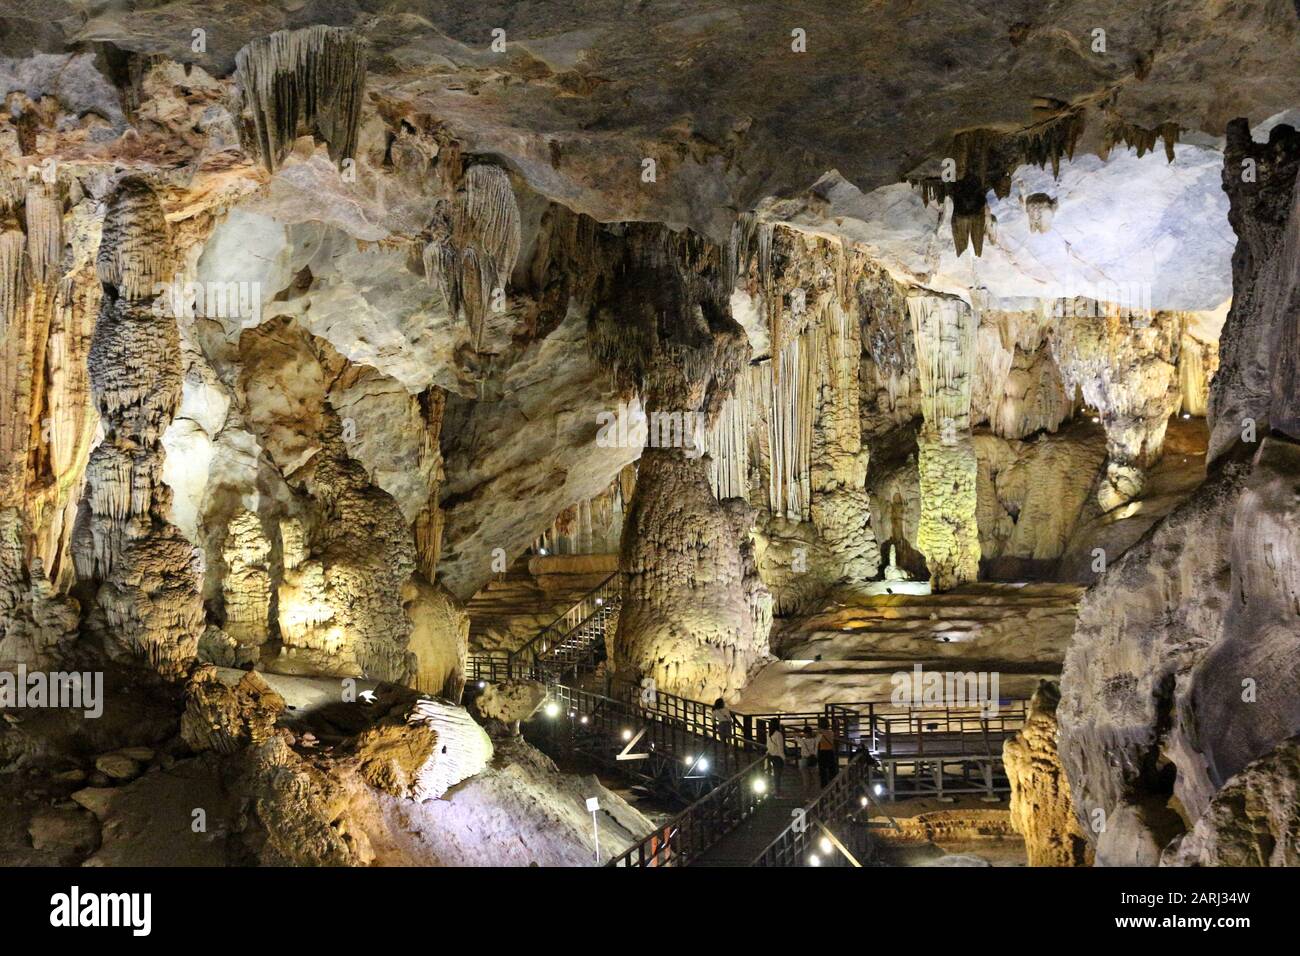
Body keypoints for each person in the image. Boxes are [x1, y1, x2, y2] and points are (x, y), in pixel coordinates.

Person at [816, 716, 839, 788]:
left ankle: (824, 786)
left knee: (823, 771)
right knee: (832, 770)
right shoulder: (831, 733)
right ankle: (834, 786)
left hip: (822, 752)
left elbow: (817, 742)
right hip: (830, 752)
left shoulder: (819, 733)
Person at [765, 719, 786, 795]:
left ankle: (773, 790)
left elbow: (768, 746)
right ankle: (777, 791)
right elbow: (780, 748)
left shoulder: (768, 733)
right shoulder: (778, 734)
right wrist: (784, 758)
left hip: (770, 756)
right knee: (778, 775)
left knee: (772, 774)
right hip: (778, 757)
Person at [797, 724, 818, 793]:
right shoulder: (815, 740)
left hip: (804, 759)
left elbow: (794, 736)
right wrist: (813, 734)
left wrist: (802, 735)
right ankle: (816, 794)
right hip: (813, 759)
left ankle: (807, 796)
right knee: (815, 779)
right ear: (811, 732)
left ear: (804, 733)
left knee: (806, 779)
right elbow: (820, 735)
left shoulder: (802, 741)